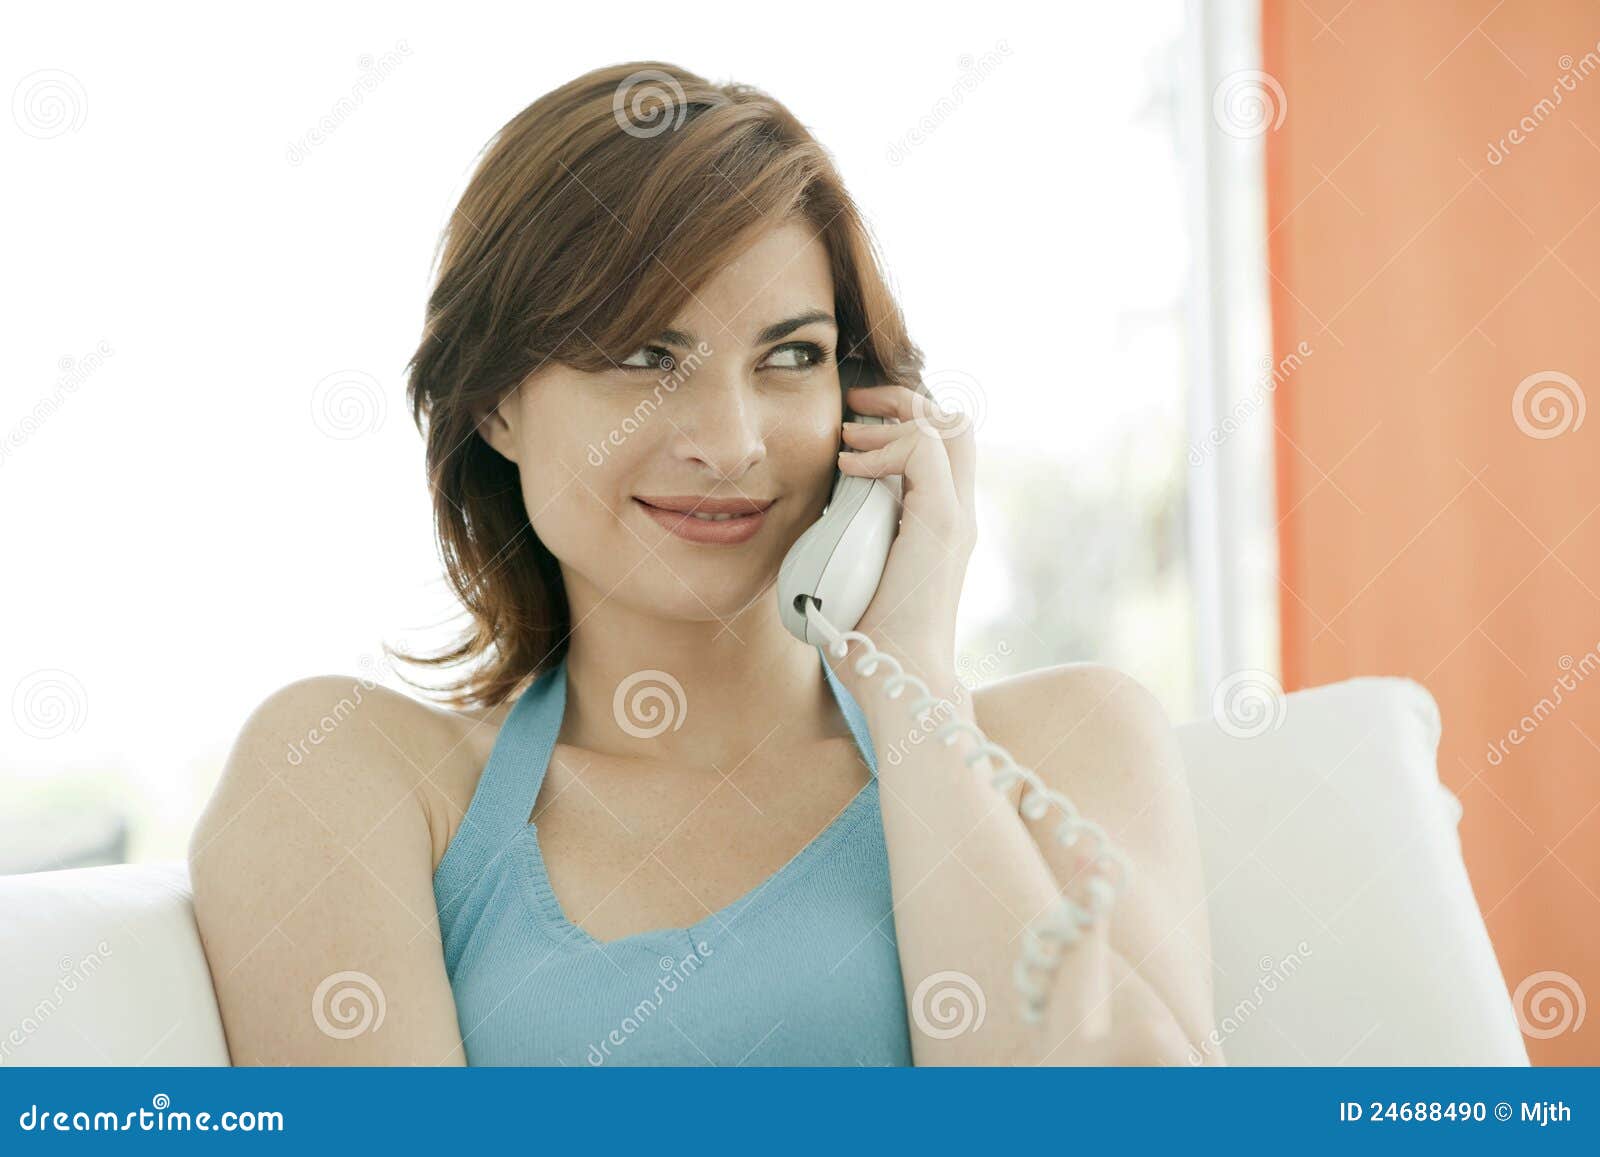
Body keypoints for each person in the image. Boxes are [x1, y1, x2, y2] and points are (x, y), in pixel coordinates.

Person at [187, 60, 1218, 1066]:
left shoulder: (1071, 743)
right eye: (642, 356)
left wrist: (912, 690)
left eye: (791, 356)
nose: (729, 443)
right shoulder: (351, 771)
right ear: (495, 402)